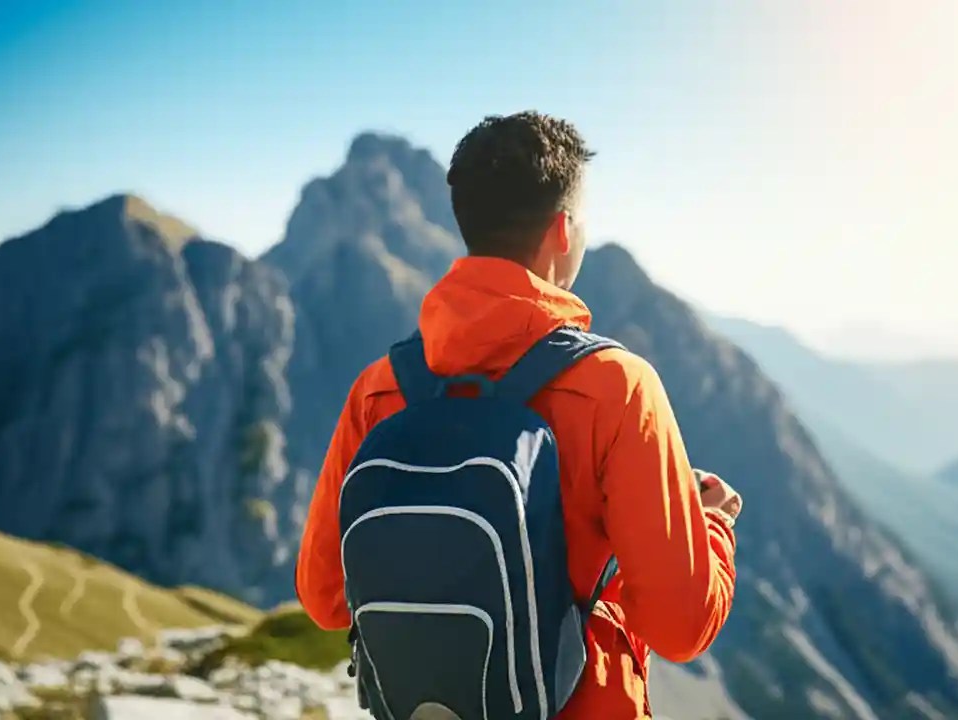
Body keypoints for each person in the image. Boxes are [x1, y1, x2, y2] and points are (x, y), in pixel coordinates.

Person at [295, 110, 741, 719]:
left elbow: (325, 599)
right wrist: (709, 524)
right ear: (563, 229)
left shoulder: (379, 391)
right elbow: (681, 627)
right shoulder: (617, 387)